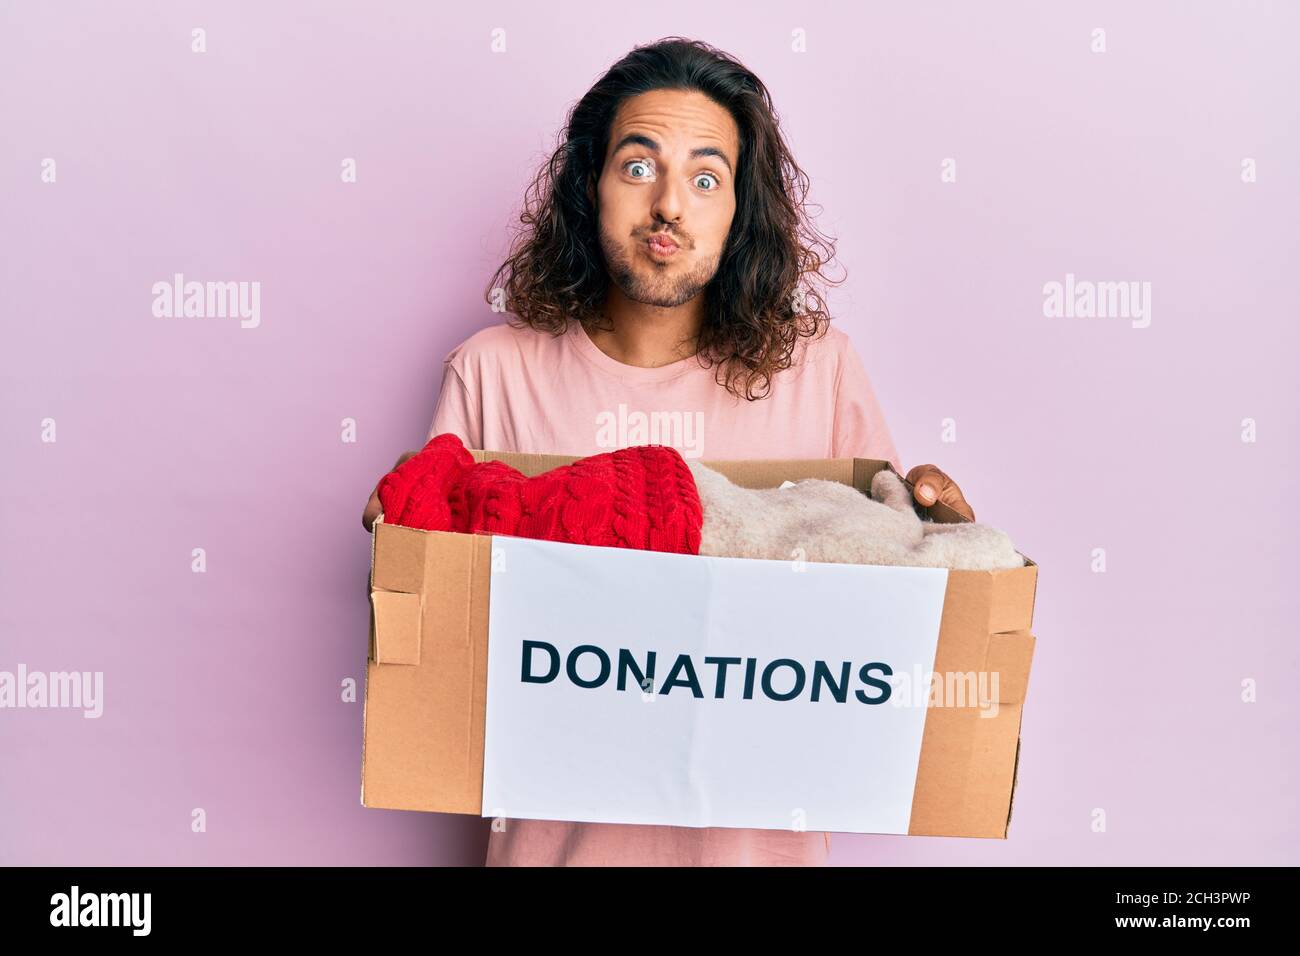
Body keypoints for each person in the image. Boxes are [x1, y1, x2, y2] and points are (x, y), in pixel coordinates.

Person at [362, 37, 974, 867]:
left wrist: (947, 545)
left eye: (706, 178)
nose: (670, 208)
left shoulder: (820, 370)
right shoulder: (491, 372)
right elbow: (443, 655)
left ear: (738, 210)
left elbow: (879, 637)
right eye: (639, 167)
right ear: (591, 185)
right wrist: (400, 536)